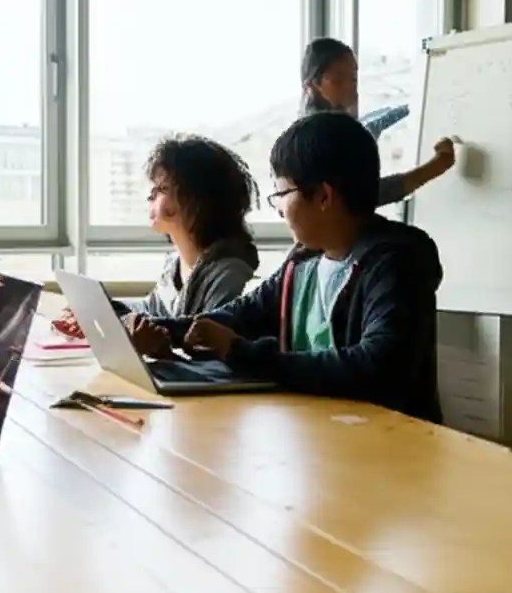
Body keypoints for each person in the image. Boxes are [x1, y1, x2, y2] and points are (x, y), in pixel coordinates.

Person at [131, 112, 444, 422]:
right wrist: (157, 330)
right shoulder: (304, 261)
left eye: (281, 194)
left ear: (323, 196)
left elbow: (376, 365)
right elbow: (238, 317)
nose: (279, 209)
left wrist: (241, 352)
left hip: (391, 447)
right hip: (318, 439)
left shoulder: (397, 262)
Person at [53, 135, 260, 339]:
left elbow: (203, 339)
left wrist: (117, 319)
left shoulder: (230, 275)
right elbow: (151, 309)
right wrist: (99, 309)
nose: (150, 196)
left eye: (162, 189)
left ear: (199, 202)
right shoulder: (175, 265)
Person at [300, 36, 456, 206]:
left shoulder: (340, 128)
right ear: (312, 85)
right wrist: (435, 167)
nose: (350, 86)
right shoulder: (317, 135)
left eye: (353, 78)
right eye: (338, 80)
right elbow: (358, 196)